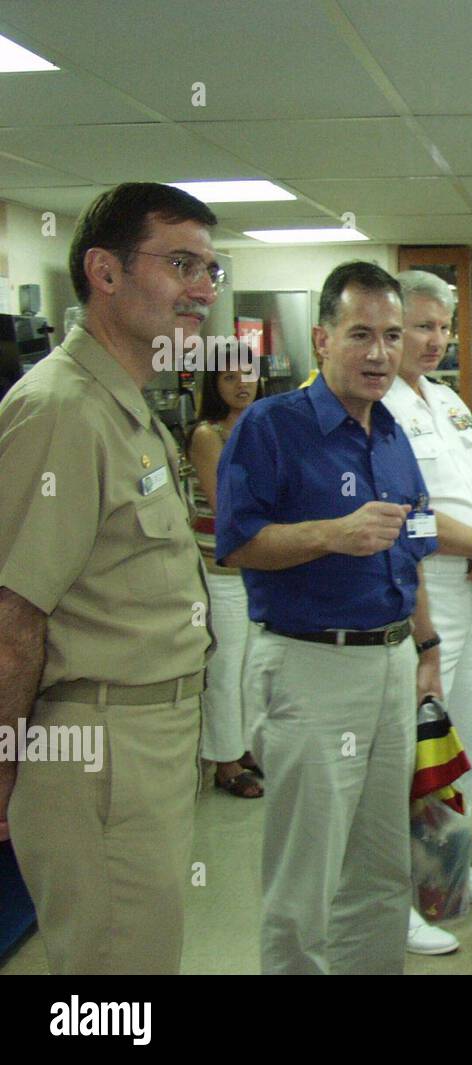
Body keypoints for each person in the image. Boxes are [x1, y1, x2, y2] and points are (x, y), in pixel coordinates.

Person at [0, 182, 219, 973]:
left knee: (135, 959)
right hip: (98, 748)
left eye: (212, 271)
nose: (203, 290)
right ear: (105, 271)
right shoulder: (63, 409)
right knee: (116, 977)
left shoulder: (122, 404)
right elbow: (13, 616)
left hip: (145, 739)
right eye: (182, 264)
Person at [216, 260, 442, 975]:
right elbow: (237, 543)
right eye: (360, 334)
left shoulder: (392, 433)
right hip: (311, 668)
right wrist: (331, 533)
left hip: (391, 662)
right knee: (306, 876)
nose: (380, 353)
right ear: (322, 339)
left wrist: (427, 647)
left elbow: (415, 544)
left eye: (392, 336)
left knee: (381, 868)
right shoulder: (272, 427)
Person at [383, 270, 472, 956]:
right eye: (422, 326)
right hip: (422, 589)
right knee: (414, 748)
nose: (436, 339)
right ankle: (399, 900)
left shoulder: (447, 399)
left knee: (458, 739)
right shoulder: (379, 406)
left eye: (443, 327)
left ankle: (449, 871)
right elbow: (408, 518)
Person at [186, 357, 266, 798]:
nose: (241, 384)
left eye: (247, 375)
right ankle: (224, 760)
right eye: (229, 377)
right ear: (214, 385)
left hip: (260, 566)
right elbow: (226, 505)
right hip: (221, 568)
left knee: (253, 665)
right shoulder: (208, 435)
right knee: (226, 664)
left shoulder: (263, 426)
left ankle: (246, 744)